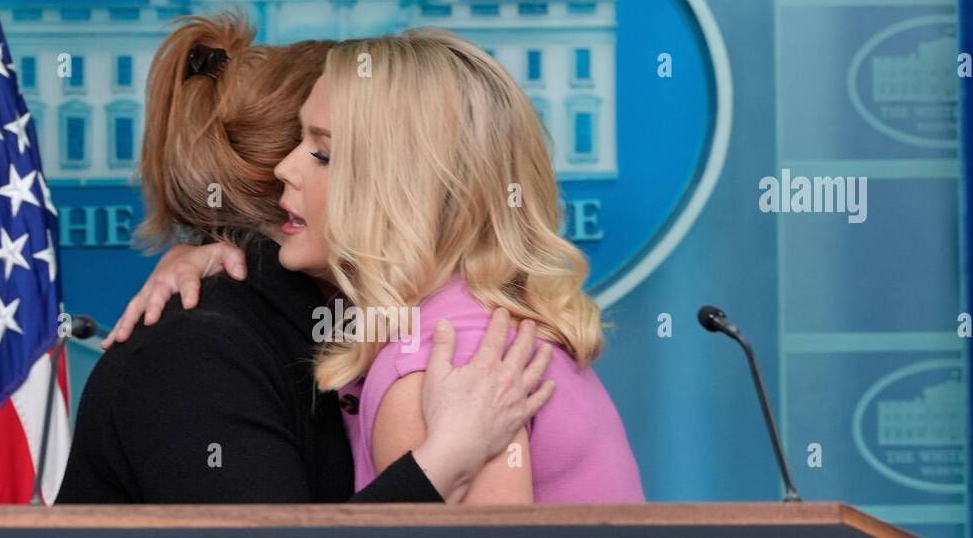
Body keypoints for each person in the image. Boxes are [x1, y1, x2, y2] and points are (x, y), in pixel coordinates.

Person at [105, 28, 644, 504]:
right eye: (301, 142)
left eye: (321, 151)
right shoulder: (212, 343)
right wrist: (444, 459)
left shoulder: (442, 358)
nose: (285, 167)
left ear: (399, 183)